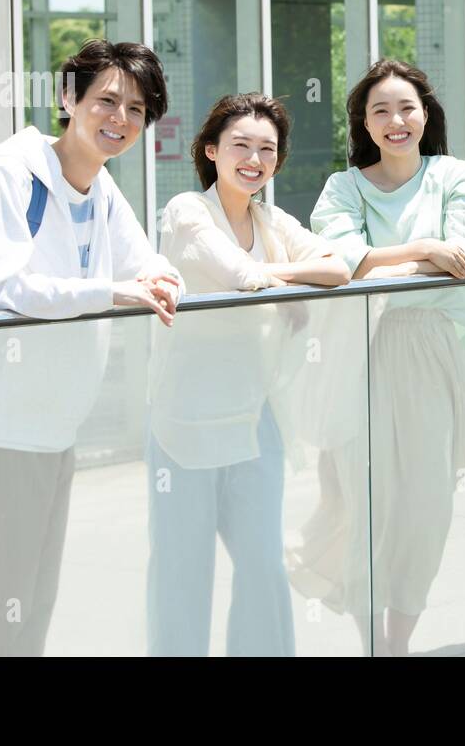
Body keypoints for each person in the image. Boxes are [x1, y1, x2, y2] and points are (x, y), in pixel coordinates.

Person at [0, 39, 184, 656]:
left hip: (54, 424)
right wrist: (112, 291)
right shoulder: (14, 174)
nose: (120, 119)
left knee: (34, 601)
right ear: (68, 98)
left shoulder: (98, 186)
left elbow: (146, 260)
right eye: (106, 100)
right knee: (1, 601)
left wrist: (162, 278)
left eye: (137, 109)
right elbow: (0, 286)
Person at [147, 92, 350, 657]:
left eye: (268, 149)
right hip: (185, 423)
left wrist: (276, 280)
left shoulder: (270, 218)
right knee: (182, 573)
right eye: (241, 145)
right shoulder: (186, 210)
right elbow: (238, 275)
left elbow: (337, 266)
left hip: (254, 419)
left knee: (263, 568)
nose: (254, 159)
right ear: (211, 150)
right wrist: (283, 285)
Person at [303, 59, 465, 656]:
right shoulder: (344, 186)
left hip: (427, 348)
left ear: (426, 112)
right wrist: (424, 252)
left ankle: (400, 640)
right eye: (379, 110)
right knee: (363, 500)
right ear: (363, 121)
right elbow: (338, 259)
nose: (395, 120)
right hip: (356, 350)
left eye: (406, 107)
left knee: (427, 502)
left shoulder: (455, 176)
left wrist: (384, 264)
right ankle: (372, 645)